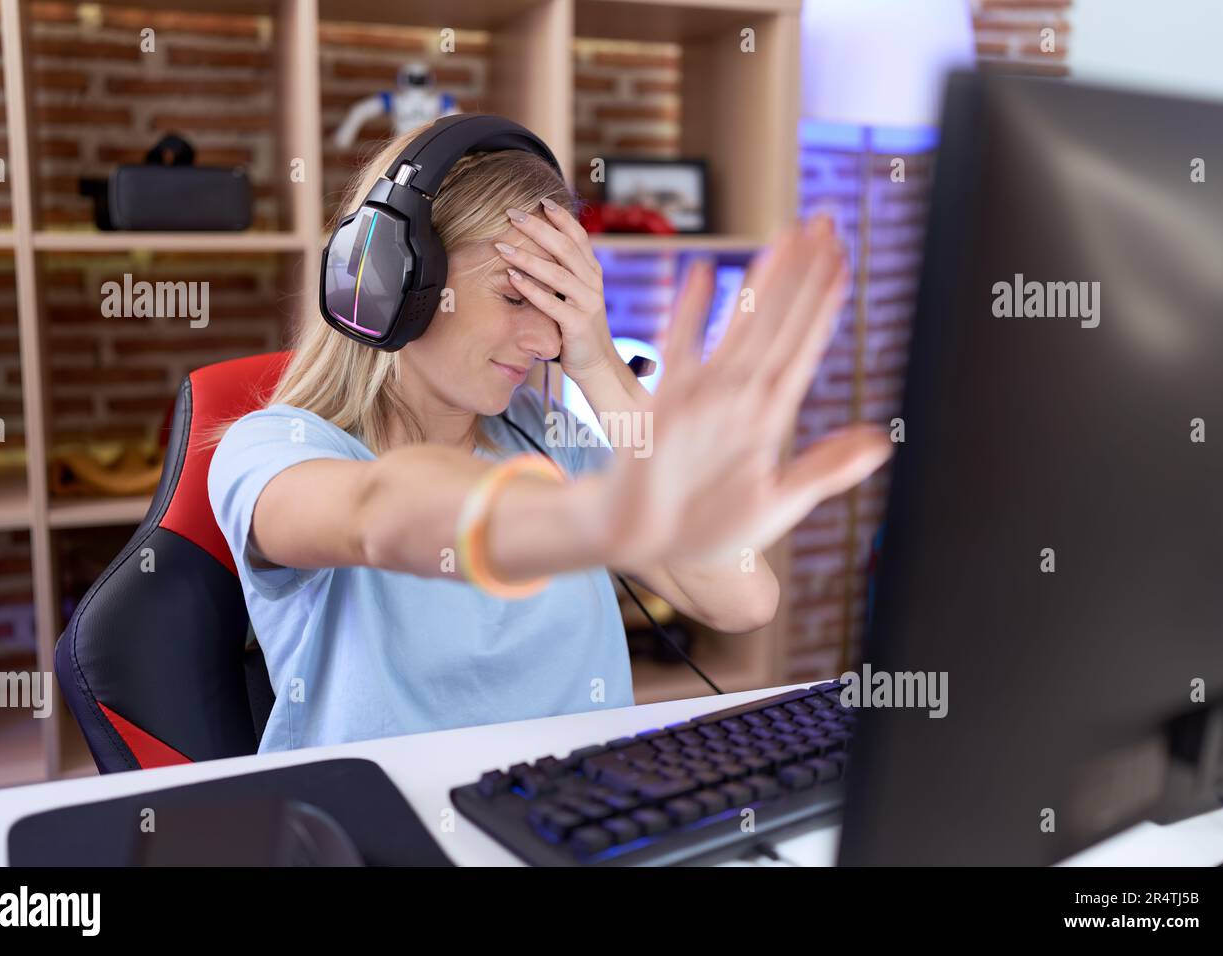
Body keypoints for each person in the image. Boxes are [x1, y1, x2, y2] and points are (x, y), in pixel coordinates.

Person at [207, 118, 892, 753]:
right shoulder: (274, 448)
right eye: (512, 298)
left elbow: (742, 599)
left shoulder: (547, 436)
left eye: (556, 308)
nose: (541, 342)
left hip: (580, 826)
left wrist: (596, 362)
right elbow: (377, 514)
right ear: (394, 282)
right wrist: (600, 517)